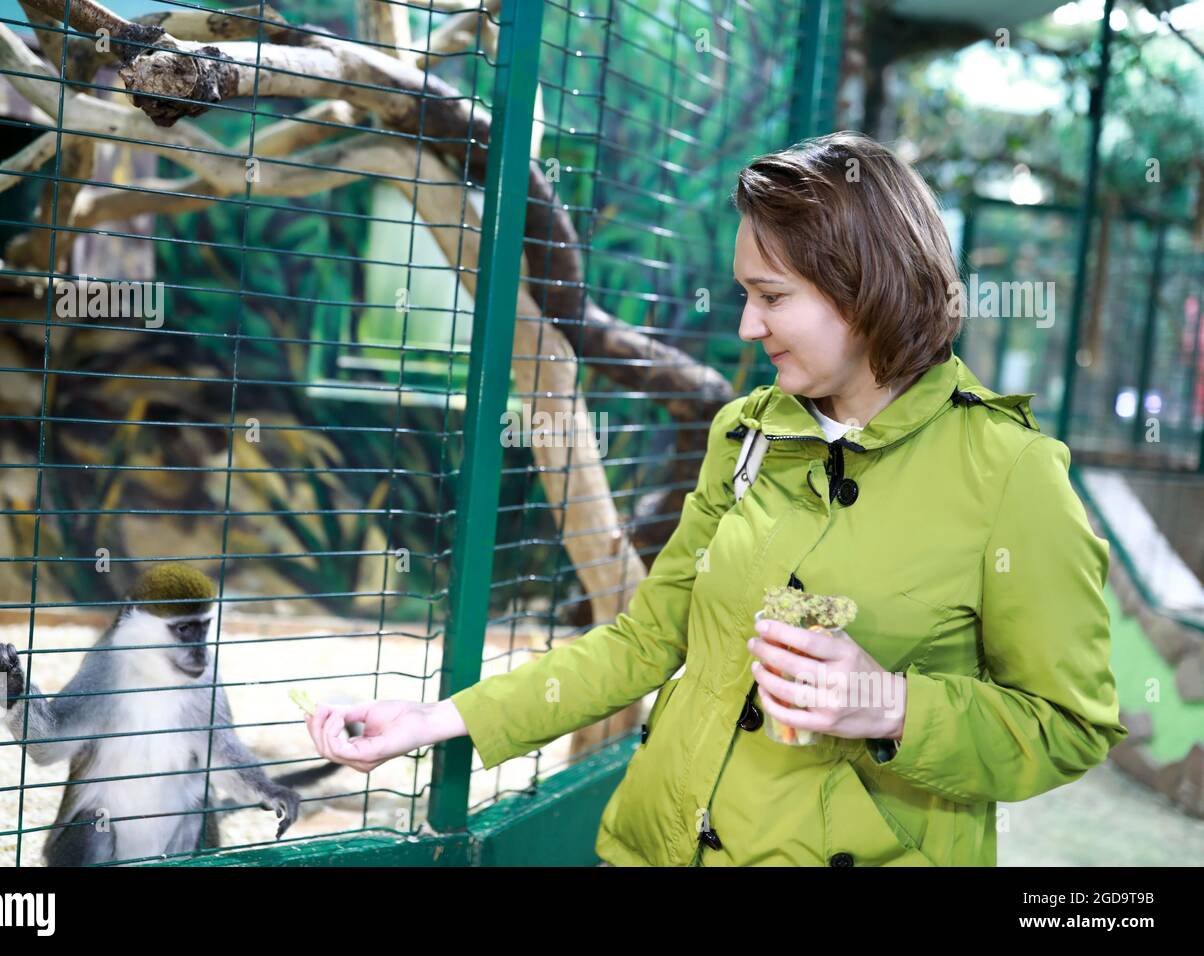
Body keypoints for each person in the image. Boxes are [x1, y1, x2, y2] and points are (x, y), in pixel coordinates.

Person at [305, 131, 1128, 866]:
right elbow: (645, 638)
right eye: (744, 294)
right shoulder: (747, 433)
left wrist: (893, 704)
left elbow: (1068, 724)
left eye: (772, 297)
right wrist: (436, 720)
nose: (746, 327)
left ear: (866, 287)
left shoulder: (1012, 472)